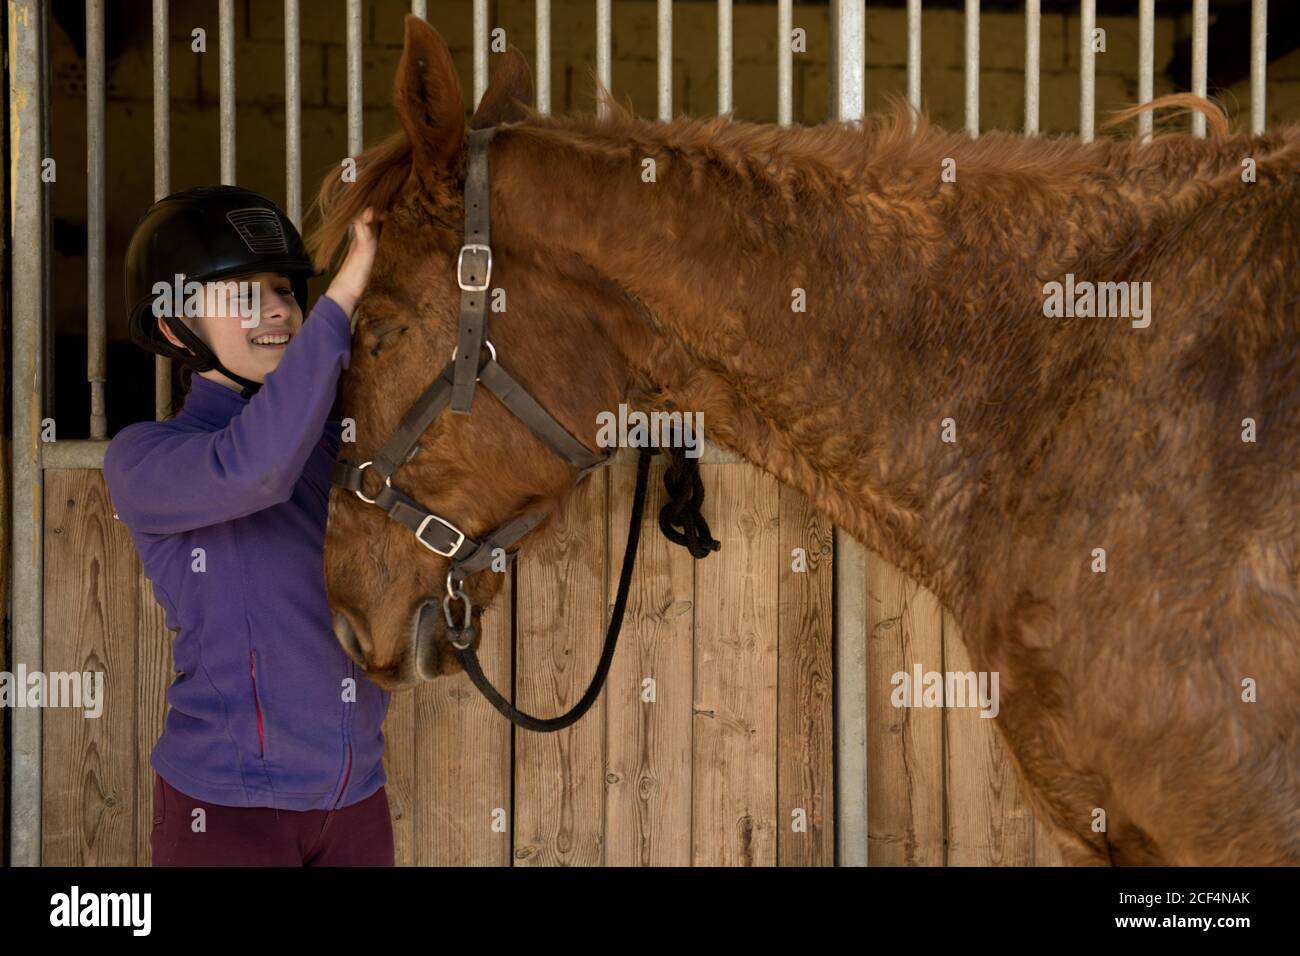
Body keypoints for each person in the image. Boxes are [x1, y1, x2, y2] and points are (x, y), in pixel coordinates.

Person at [104, 185, 390, 866]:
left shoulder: (338, 439)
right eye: (239, 296)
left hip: (356, 797)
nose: (277, 313)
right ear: (175, 329)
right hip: (226, 813)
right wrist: (342, 299)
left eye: (284, 292)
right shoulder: (144, 458)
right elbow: (255, 472)